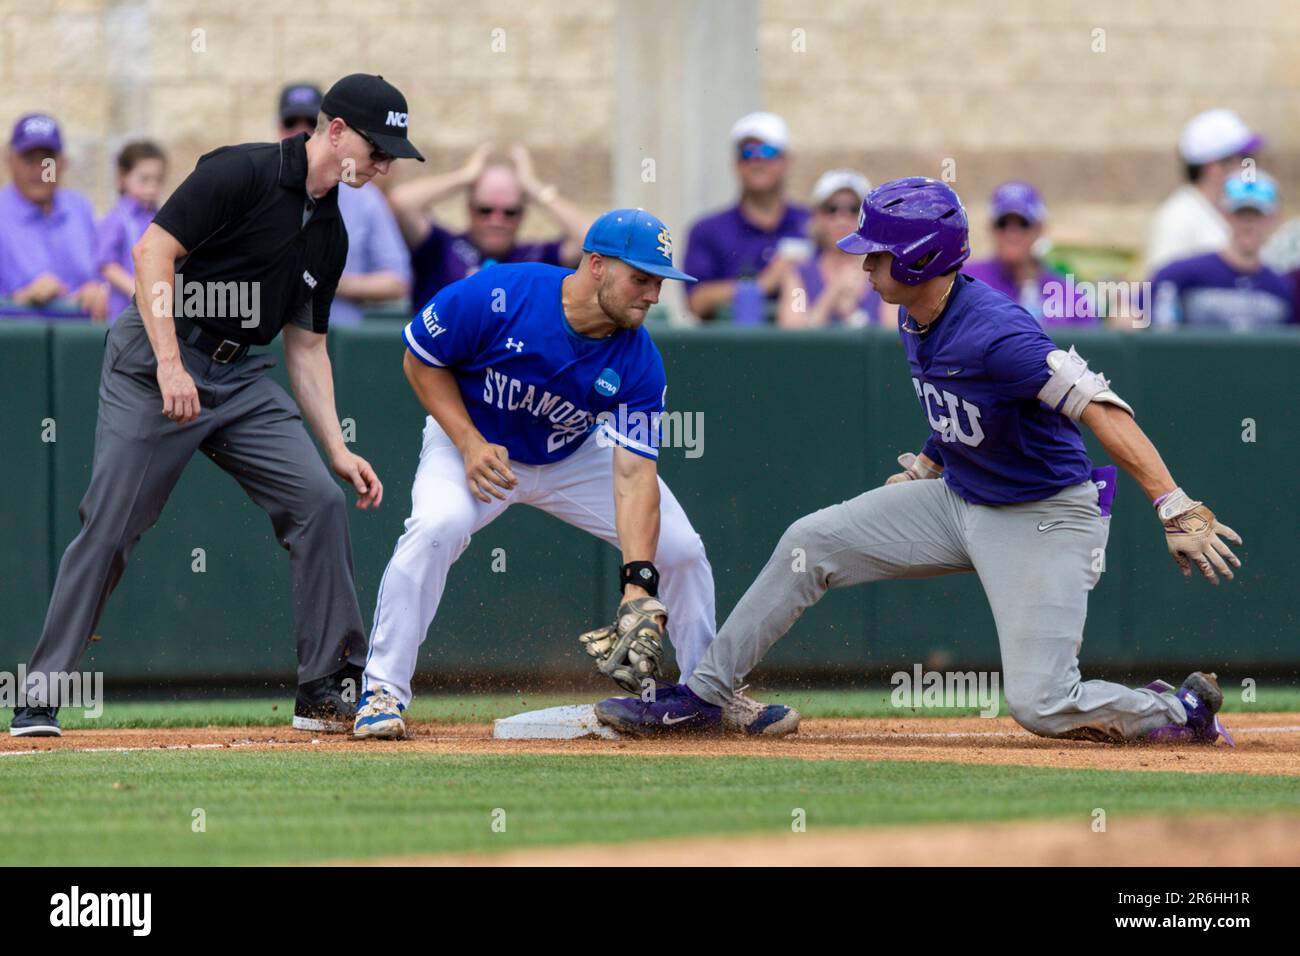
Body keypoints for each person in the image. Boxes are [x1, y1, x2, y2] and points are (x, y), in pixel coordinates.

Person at [596, 178, 1242, 747]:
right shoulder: (916, 314)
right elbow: (963, 402)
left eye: (877, 253)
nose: (864, 264)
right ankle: (705, 698)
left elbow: (1103, 409)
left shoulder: (1000, 333)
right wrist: (934, 462)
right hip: (961, 496)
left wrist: (1172, 502)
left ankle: (1175, 710)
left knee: (1041, 704)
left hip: (1044, 515)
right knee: (809, 543)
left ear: (920, 258)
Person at [8, 74, 426, 738]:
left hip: (240, 378)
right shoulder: (242, 171)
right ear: (336, 131)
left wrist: (337, 448)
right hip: (156, 360)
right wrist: (172, 362)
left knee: (318, 499)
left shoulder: (332, 233)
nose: (382, 165)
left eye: (391, 157)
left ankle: (324, 685)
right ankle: (41, 692)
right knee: (112, 524)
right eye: (377, 149)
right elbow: (153, 251)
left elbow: (309, 348)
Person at [351, 210, 719, 740]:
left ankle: (704, 693)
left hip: (572, 456)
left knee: (682, 552)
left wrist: (638, 582)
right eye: (641, 278)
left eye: (659, 282)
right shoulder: (501, 294)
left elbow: (635, 474)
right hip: (475, 444)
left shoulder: (641, 360)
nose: (653, 295)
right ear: (596, 265)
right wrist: (468, 441)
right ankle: (382, 691)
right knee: (436, 529)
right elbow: (421, 359)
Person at [391, 142, 591, 309]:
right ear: (470, 209)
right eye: (485, 210)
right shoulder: (441, 247)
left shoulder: (537, 258)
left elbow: (594, 240)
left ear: (522, 214)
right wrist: (464, 177)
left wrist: (534, 188)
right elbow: (400, 203)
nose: (497, 221)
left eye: (510, 212)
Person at [274, 82, 410, 326]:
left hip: (334, 336)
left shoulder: (364, 197)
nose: (300, 130)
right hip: (264, 338)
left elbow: (398, 281)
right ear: (278, 127)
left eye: (310, 121)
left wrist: (322, 280)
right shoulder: (261, 179)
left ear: (332, 130)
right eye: (291, 122)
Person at [684, 112, 811, 321]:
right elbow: (696, 301)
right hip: (731, 349)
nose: (757, 161)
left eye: (767, 151)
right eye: (747, 153)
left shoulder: (812, 223)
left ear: (787, 160)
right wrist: (762, 284)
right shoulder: (707, 230)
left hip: (806, 347)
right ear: (735, 163)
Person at [1147, 171, 1293, 331]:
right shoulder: (1184, 273)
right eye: (1240, 214)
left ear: (1273, 218)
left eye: (1257, 215)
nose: (1249, 224)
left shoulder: (1280, 286)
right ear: (1225, 215)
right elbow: (1137, 307)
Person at [0, 113, 107, 320]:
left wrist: (97, 290)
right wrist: (19, 300)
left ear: (62, 163)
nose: (39, 169)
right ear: (10, 162)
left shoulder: (80, 208)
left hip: (79, 341)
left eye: (47, 160)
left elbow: (104, 273)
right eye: (28, 160)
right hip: (16, 344)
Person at [1143, 108, 1263, 275]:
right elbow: (1161, 286)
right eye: (1244, 158)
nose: (1250, 165)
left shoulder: (1230, 210)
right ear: (1213, 166)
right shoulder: (1178, 217)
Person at [962, 181, 1094, 326]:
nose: (1012, 234)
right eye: (1003, 224)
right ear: (991, 229)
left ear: (1039, 229)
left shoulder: (1067, 293)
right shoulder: (967, 281)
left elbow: (1090, 342)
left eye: (1023, 224)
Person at [778, 168, 894, 328]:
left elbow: (893, 337)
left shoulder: (886, 271)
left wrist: (851, 313)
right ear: (817, 216)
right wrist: (832, 295)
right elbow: (792, 337)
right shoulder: (799, 273)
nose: (842, 218)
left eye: (854, 209)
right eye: (831, 209)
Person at [97, 141, 167, 323]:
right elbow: (106, 264)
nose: (151, 188)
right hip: (124, 311)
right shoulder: (118, 218)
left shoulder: (160, 217)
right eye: (144, 179)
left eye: (157, 180)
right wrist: (134, 289)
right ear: (123, 177)